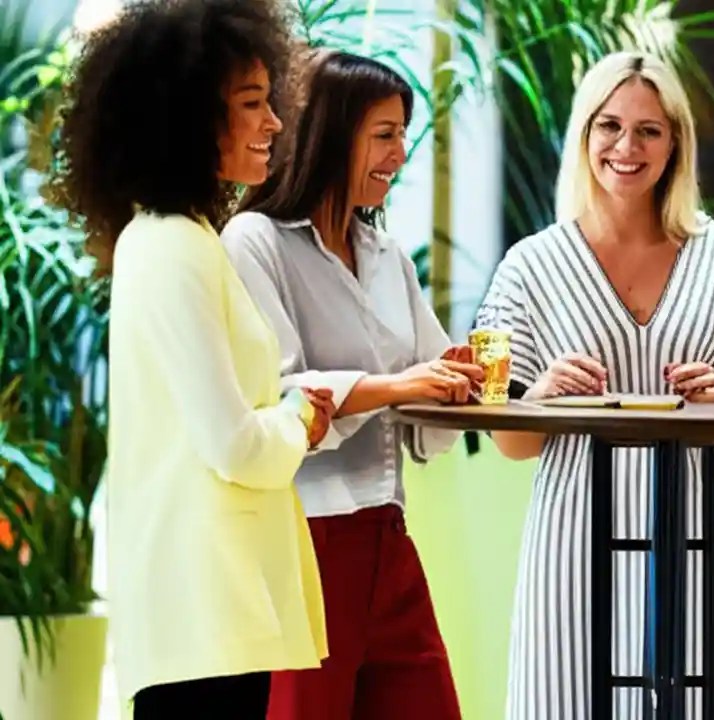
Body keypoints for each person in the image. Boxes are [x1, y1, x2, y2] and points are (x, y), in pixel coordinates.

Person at [476, 51, 714, 719]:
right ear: (584, 135)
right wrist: (539, 399)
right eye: (609, 125)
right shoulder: (530, 266)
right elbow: (510, 443)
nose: (627, 146)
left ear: (677, 140)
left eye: (650, 129)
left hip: (693, 533)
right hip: (572, 536)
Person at [48, 1, 332, 717]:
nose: (273, 123)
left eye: (271, 102)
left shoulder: (181, 237)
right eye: (251, 104)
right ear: (189, 118)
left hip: (209, 608)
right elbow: (232, 442)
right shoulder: (173, 244)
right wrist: (300, 419)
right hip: (202, 607)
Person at [222, 50, 481, 720]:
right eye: (385, 134)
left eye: (402, 134)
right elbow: (280, 398)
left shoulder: (388, 257)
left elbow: (428, 383)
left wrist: (461, 377)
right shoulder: (255, 242)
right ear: (333, 135)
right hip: (309, 541)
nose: (400, 154)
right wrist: (399, 386)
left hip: (389, 537)